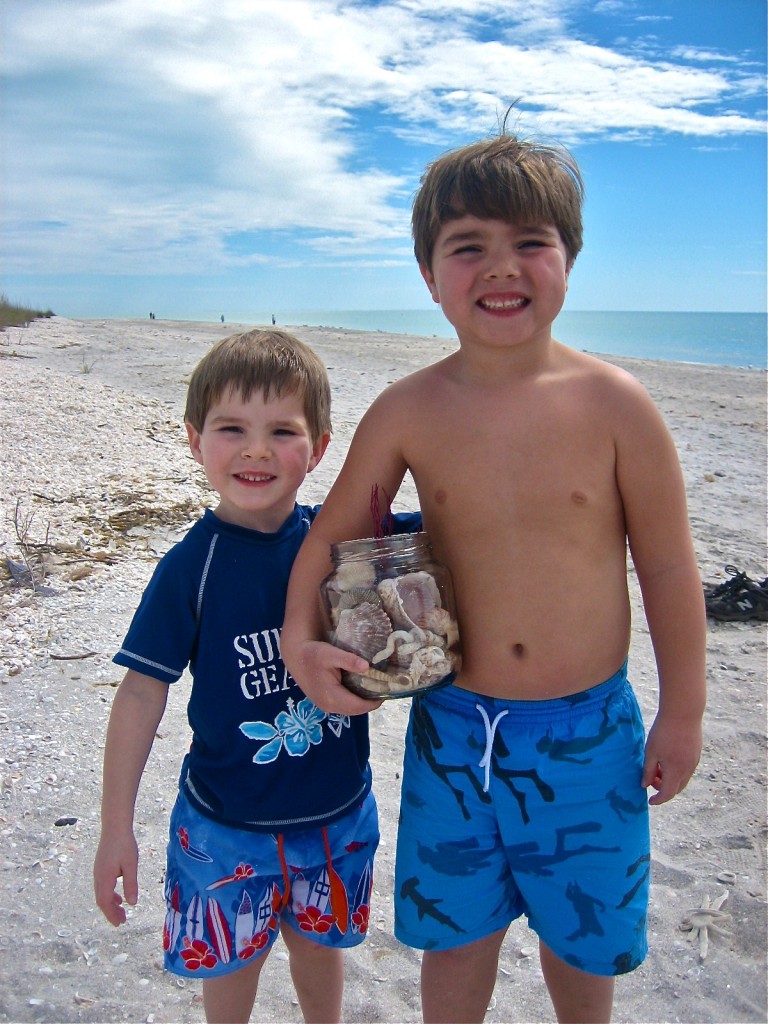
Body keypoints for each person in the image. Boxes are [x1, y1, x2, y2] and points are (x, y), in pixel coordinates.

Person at [281, 132, 707, 1024]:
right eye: (467, 246)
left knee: (583, 941)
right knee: (453, 935)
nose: (500, 267)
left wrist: (685, 711)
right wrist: (301, 643)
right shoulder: (408, 409)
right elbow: (330, 536)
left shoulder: (618, 405)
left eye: (530, 242)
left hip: (590, 734)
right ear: (430, 277)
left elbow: (669, 570)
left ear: (569, 260)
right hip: (452, 730)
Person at [93, 329, 420, 1024]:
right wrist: (116, 826)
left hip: (336, 814)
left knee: (318, 950)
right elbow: (141, 694)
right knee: (230, 964)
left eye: (282, 430)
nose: (256, 449)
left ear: (321, 446)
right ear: (194, 439)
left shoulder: (337, 547)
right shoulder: (191, 567)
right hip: (225, 824)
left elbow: (449, 524)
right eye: (232, 428)